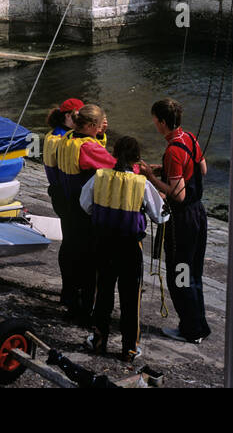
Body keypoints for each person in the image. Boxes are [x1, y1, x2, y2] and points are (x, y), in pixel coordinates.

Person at [80, 135, 164, 362]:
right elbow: (160, 216)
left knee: (103, 293)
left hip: (104, 243)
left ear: (114, 154)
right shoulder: (142, 183)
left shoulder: (99, 177)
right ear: (137, 158)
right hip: (129, 247)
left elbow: (85, 203)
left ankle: (98, 340)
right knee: (130, 298)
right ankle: (129, 348)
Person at [141, 98, 211, 343]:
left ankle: (190, 329)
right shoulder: (189, 138)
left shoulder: (172, 149)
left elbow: (177, 194)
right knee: (193, 272)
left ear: (161, 122)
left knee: (179, 274)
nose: (155, 126)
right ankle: (198, 325)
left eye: (155, 122)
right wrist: (164, 171)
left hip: (182, 220)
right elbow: (201, 169)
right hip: (199, 214)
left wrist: (151, 176)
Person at [52, 102, 116, 324]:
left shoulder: (67, 137)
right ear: (90, 125)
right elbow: (112, 164)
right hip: (83, 209)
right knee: (89, 260)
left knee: (69, 249)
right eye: (98, 125)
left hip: (65, 203)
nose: (101, 129)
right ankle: (85, 308)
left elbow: (94, 148)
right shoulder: (88, 147)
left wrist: (101, 135)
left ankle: (68, 295)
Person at [43, 97, 83, 309]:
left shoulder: (55, 135)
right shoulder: (60, 139)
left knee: (70, 242)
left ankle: (69, 289)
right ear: (68, 116)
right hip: (65, 195)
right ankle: (70, 290)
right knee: (72, 243)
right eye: (78, 117)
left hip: (60, 194)